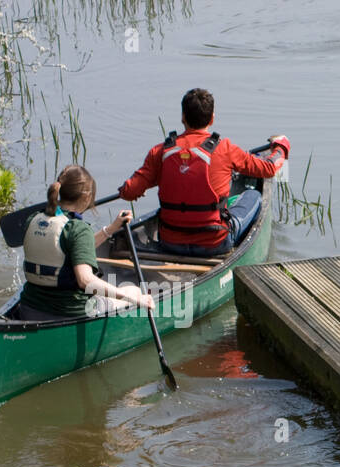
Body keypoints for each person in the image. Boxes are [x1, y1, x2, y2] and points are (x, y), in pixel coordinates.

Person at [118, 88, 290, 257]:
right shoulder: (225, 148)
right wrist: (281, 146)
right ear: (212, 119)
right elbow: (268, 169)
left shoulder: (160, 152)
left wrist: (153, 178)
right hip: (216, 243)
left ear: (183, 117)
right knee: (254, 195)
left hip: (170, 243)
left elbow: (128, 192)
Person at [18, 165, 154, 322]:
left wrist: (111, 229)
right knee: (134, 290)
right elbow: (85, 281)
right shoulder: (78, 229)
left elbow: (64, 248)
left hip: (30, 308)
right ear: (87, 196)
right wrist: (137, 300)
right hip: (70, 312)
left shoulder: (34, 219)